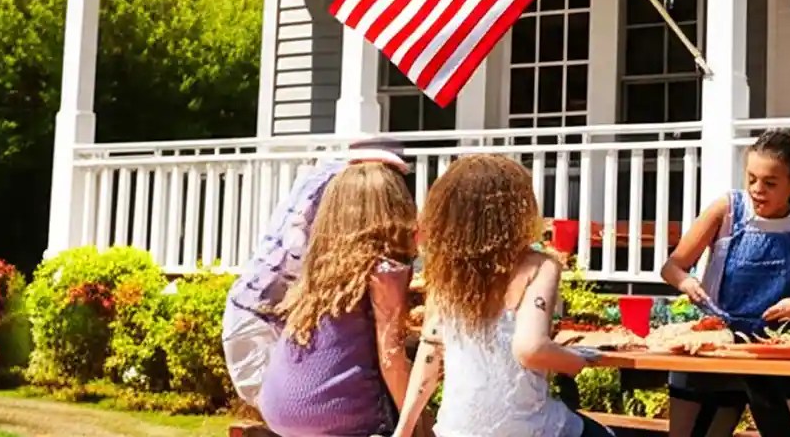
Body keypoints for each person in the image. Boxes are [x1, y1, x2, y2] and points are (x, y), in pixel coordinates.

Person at [391, 154, 613, 437]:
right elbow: (530, 348)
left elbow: (430, 353)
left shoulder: (447, 274)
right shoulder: (539, 266)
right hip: (527, 429)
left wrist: (403, 431)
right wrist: (574, 361)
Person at [659, 128, 790, 437]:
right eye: (751, 179)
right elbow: (672, 266)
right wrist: (685, 282)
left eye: (770, 183)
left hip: (780, 352)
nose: (757, 189)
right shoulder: (727, 210)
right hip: (715, 345)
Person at [222, 138, 408, 407]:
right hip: (262, 323)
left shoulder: (322, 179)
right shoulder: (335, 188)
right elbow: (303, 250)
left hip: (258, 315)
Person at [255, 161, 422, 437]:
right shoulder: (384, 271)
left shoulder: (321, 267)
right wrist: (421, 426)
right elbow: (391, 358)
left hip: (278, 408)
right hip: (339, 417)